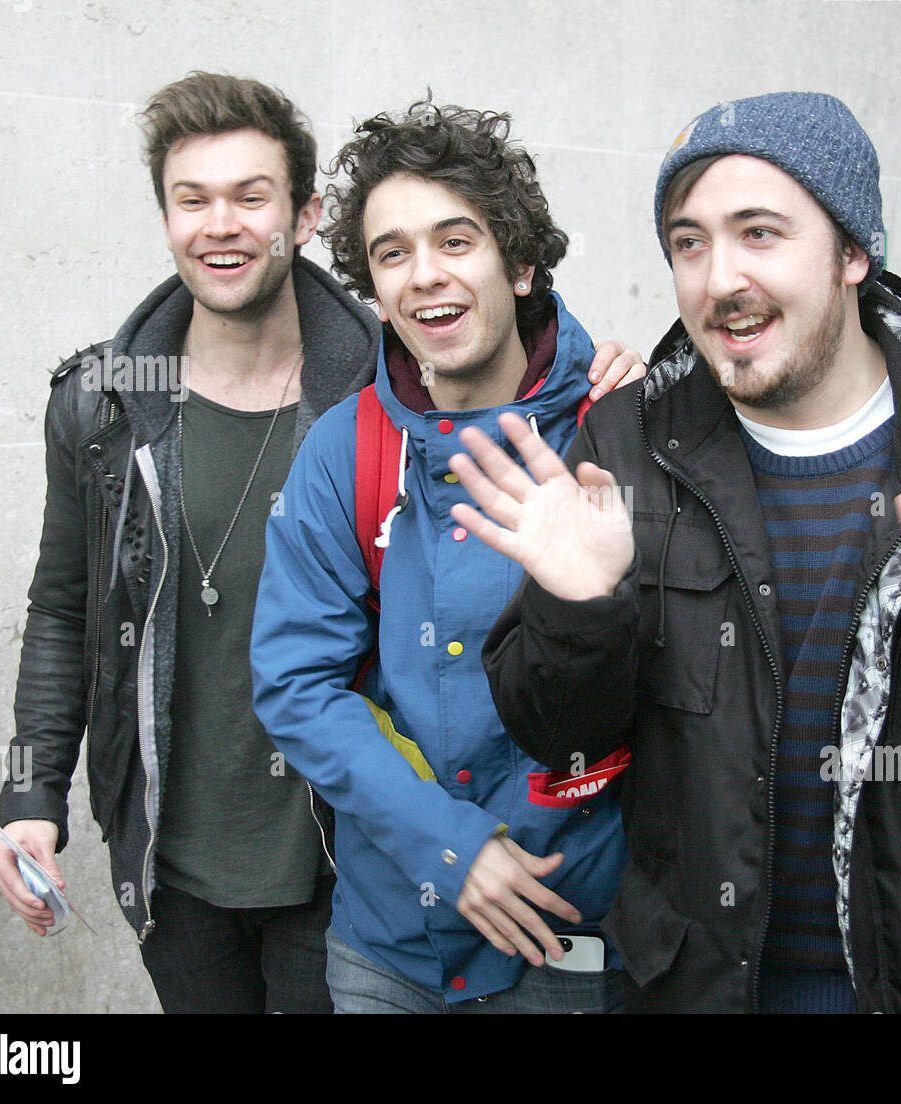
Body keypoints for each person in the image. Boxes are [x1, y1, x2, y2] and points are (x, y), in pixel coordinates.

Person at [454, 91, 901, 1013]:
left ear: (851, 251)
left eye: (760, 233)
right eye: (689, 242)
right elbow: (558, 735)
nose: (719, 278)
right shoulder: (625, 448)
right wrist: (578, 612)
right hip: (698, 988)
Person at [0, 72, 382, 1013]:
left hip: (349, 860)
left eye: (252, 196)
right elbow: (63, 608)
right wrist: (32, 796)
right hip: (173, 865)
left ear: (308, 213)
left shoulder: (388, 393)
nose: (221, 225)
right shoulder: (103, 403)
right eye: (192, 199)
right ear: (165, 217)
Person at [249, 100, 639, 1013]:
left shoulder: (623, 429)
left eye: (456, 241)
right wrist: (449, 848)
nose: (425, 276)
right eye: (393, 254)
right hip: (392, 951)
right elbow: (297, 683)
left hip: (573, 942)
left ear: (521, 262)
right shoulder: (346, 451)